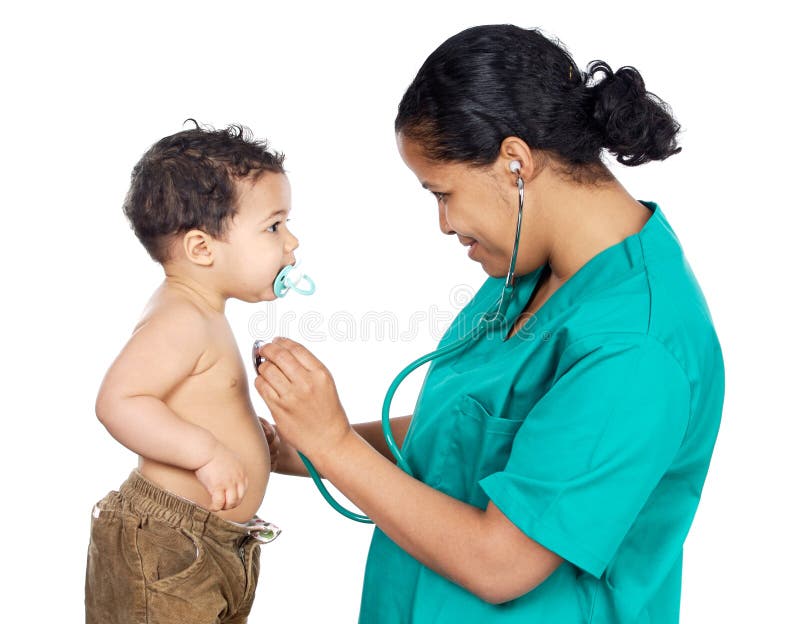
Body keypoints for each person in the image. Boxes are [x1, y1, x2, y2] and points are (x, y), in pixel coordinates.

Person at [254, 24, 725, 623]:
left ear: (515, 163)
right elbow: (471, 432)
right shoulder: (531, 265)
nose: (445, 224)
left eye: (441, 193)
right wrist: (296, 446)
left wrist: (333, 444)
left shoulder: (637, 348)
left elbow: (500, 565)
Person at [85, 122, 292, 624]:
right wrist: (207, 452)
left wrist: (247, 436)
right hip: (169, 544)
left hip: (212, 543)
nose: (292, 242)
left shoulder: (204, 313)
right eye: (274, 227)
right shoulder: (180, 317)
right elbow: (118, 402)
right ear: (202, 249)